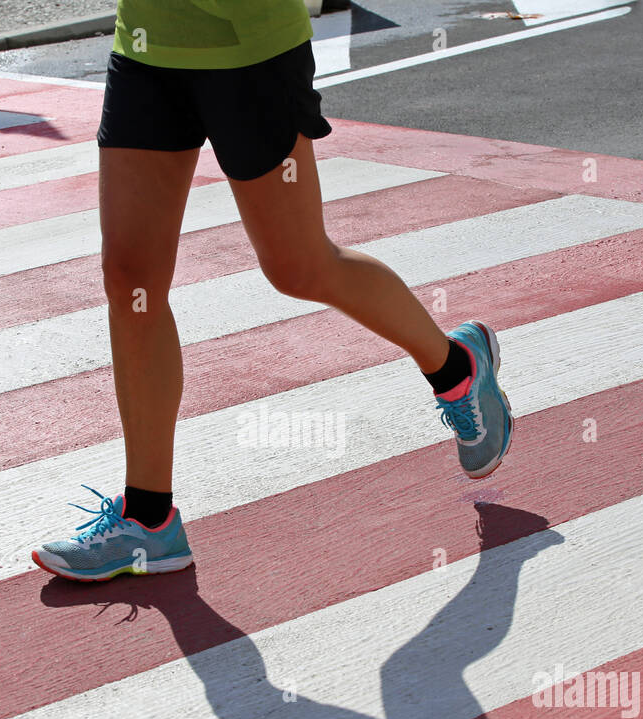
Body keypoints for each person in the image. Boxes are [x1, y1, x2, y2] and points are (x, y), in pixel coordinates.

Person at [32, 0, 513, 582]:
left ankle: (455, 366)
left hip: (251, 47)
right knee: (130, 279)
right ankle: (149, 520)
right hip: (147, 45)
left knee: (298, 266)